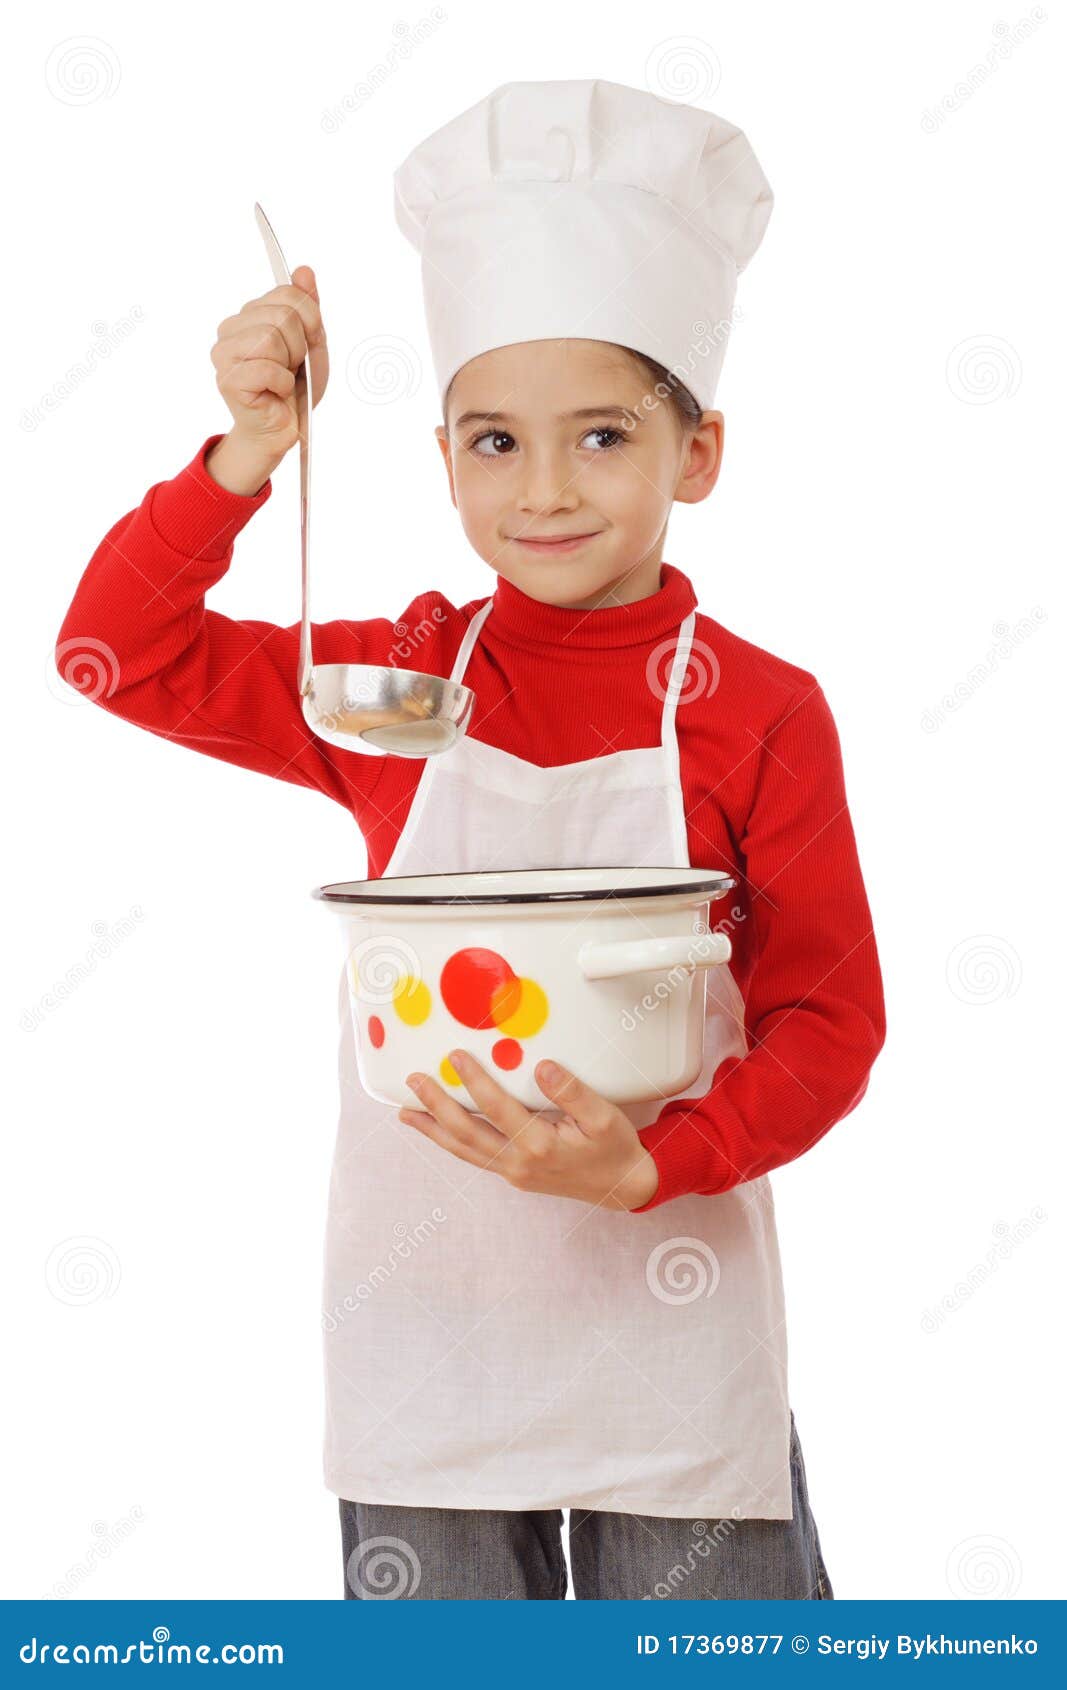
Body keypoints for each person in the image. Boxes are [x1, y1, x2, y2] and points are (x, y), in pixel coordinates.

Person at [55, 79, 885, 1601]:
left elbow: (831, 1023)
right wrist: (244, 453)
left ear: (696, 454)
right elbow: (114, 647)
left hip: (668, 1328)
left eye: (603, 436)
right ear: (442, 458)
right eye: (497, 440)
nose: (547, 488)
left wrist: (657, 1165)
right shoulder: (400, 687)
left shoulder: (758, 709)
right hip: (426, 1347)